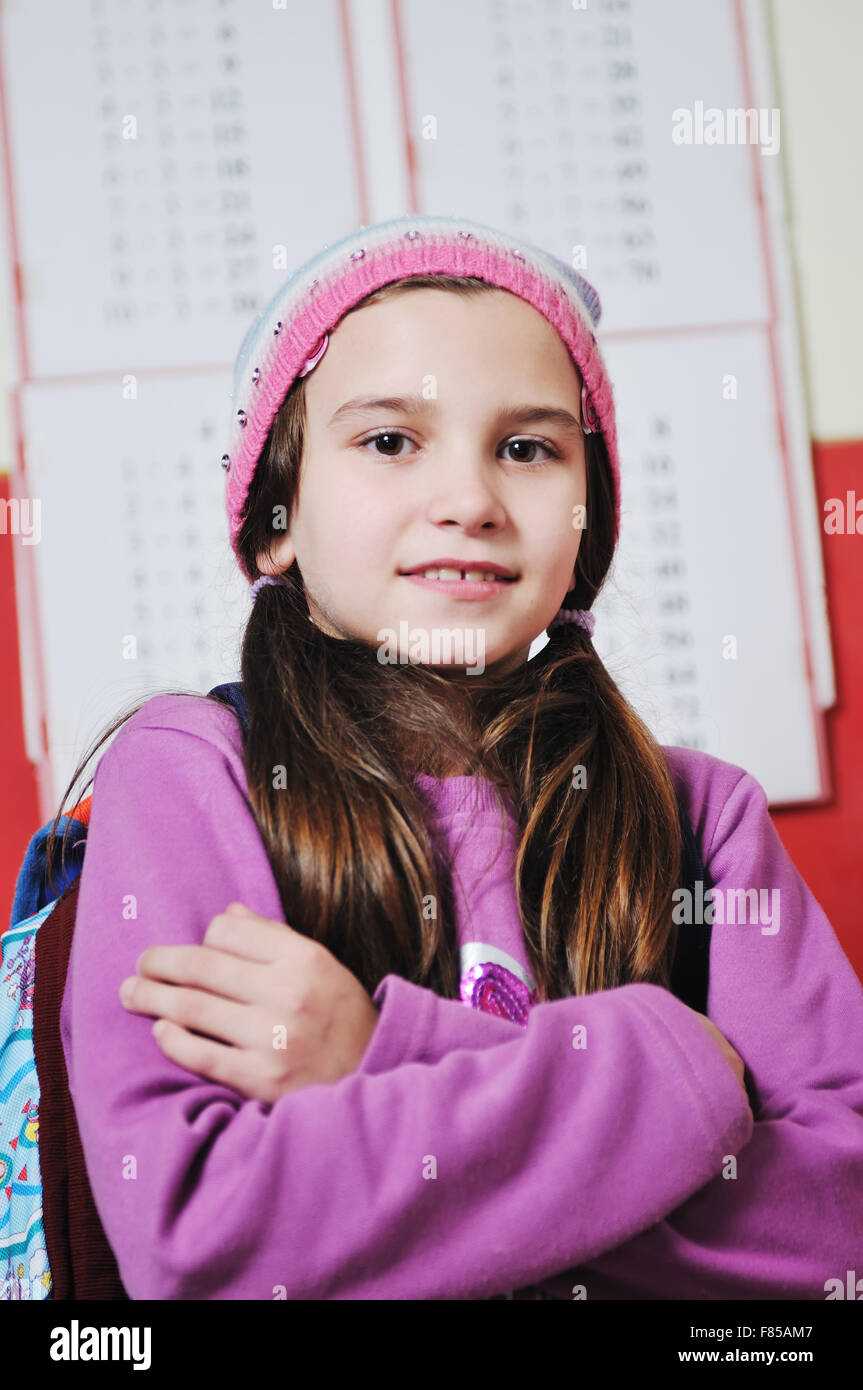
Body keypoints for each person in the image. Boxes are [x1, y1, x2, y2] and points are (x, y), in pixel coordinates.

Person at [56, 215, 863, 1300]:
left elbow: (834, 1243)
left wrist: (380, 1060)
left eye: (526, 448)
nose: (471, 502)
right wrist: (667, 1070)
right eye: (389, 441)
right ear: (273, 520)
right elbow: (206, 1239)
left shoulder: (702, 817)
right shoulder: (195, 773)